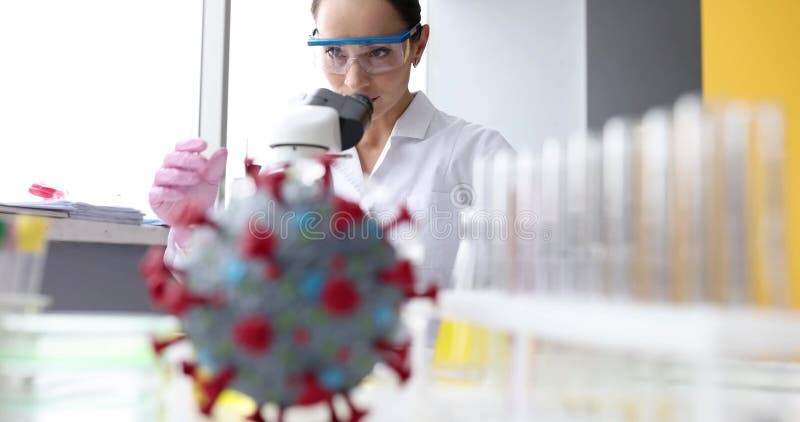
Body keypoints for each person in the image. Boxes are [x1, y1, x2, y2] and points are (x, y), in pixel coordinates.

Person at [149, 0, 513, 287]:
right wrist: (192, 226)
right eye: (335, 53)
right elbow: (238, 292)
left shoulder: (478, 156)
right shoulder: (290, 154)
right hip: (312, 377)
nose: (355, 81)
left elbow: (529, 295)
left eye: (379, 53)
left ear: (417, 45)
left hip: (437, 378)